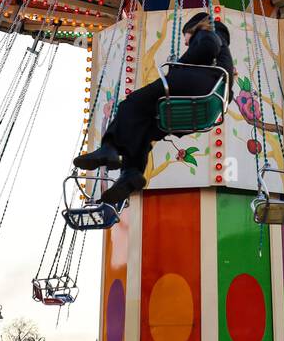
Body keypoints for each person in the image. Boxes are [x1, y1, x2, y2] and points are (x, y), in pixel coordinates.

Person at [75, 12, 233, 205]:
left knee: (130, 104)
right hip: (207, 104)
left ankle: (110, 147)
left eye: (186, 36)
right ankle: (131, 173)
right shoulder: (224, 56)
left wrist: (177, 66)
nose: (185, 42)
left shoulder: (206, 34)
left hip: (195, 85)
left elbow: (208, 47)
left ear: (194, 28)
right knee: (145, 128)